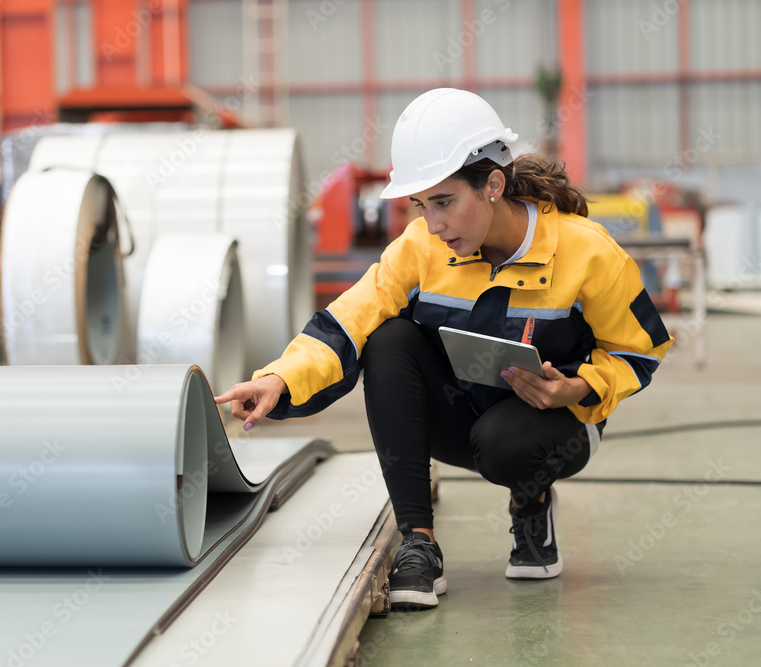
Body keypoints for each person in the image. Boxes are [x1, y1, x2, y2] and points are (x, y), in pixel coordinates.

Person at [215, 88, 673, 610]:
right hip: (461, 418)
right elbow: (351, 318)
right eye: (421, 205)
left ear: (493, 184)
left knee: (508, 444)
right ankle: (418, 543)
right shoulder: (420, 249)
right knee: (388, 339)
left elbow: (641, 352)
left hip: (556, 427)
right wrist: (280, 378)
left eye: (444, 202)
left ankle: (531, 501)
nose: (432, 224)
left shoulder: (588, 253)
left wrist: (579, 387)